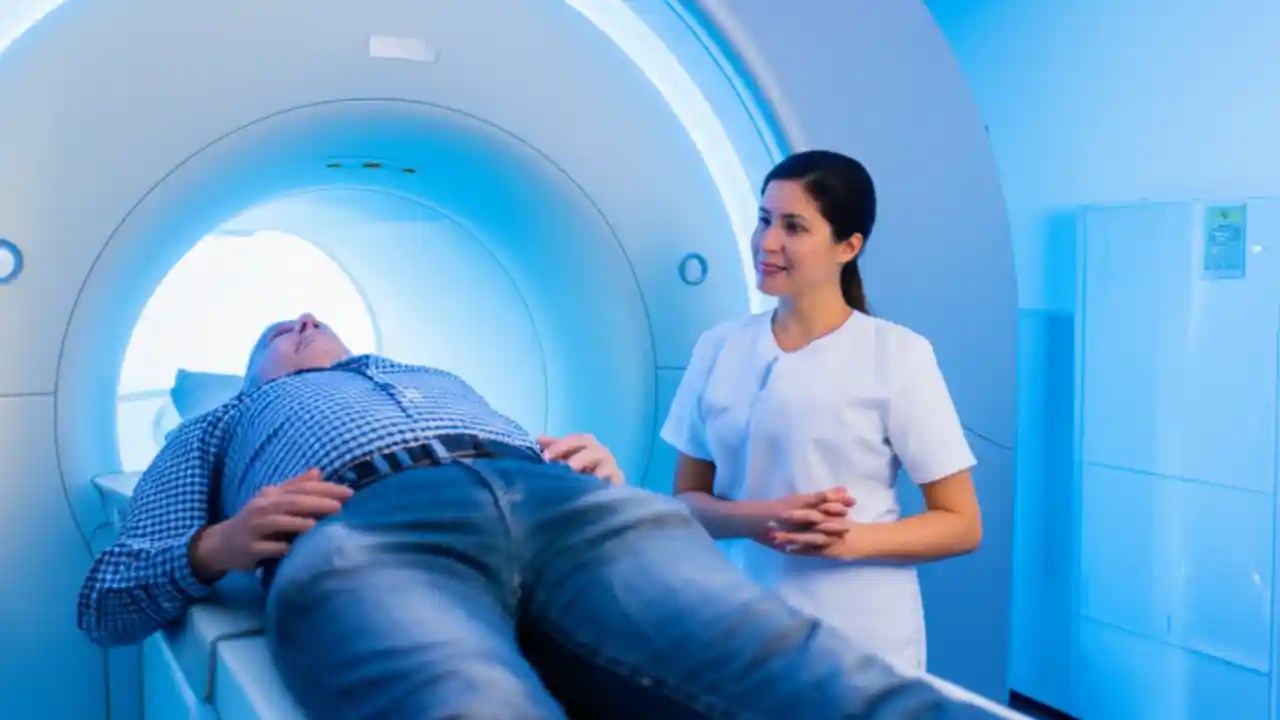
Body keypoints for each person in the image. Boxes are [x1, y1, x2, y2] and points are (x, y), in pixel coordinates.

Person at [77, 312, 997, 719]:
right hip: (364, 526)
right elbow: (106, 600)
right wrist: (218, 545)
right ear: (253, 376)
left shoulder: (441, 381)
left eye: (313, 317)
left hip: (565, 502)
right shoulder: (224, 425)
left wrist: (586, 464)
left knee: (794, 670)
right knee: (461, 702)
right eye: (279, 330)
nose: (304, 319)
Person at [661, 150, 984, 673]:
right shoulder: (718, 348)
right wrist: (762, 518)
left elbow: (962, 524)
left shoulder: (897, 355)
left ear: (848, 246)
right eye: (764, 220)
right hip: (742, 627)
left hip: (862, 642)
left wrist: (852, 540)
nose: (767, 242)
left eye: (793, 226)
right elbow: (686, 504)